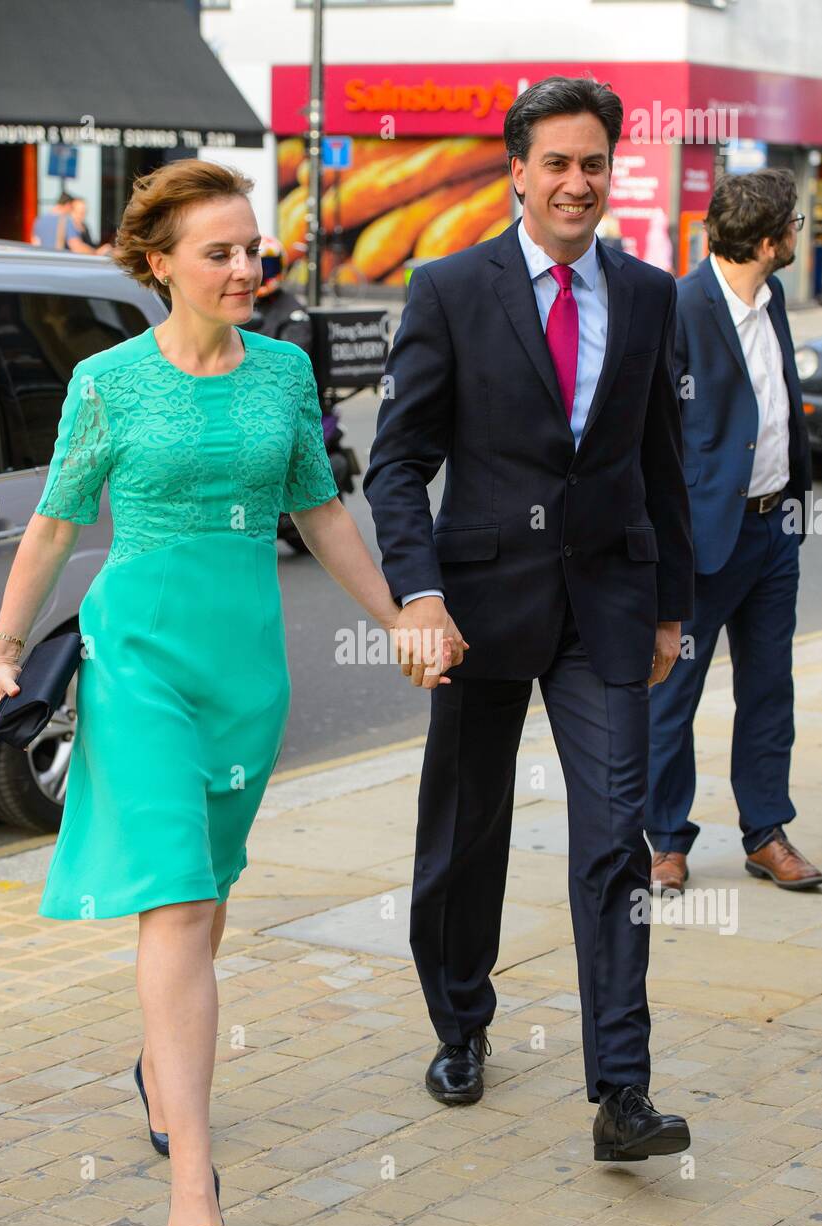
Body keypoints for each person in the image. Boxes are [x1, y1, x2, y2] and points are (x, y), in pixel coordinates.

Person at [0, 159, 429, 1226]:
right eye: (220, 252)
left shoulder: (282, 373)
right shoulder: (107, 380)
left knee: (211, 891)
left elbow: (321, 513)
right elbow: (51, 523)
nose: (247, 267)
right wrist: (5, 642)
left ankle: (158, 1058)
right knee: (176, 902)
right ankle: (193, 1170)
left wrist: (392, 616)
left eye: (251, 248)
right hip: (136, 655)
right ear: (160, 265)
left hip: (245, 669)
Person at [364, 75, 695, 1162]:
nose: (575, 182)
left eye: (592, 162)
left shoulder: (648, 296)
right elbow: (399, 463)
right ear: (517, 169)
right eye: (555, 162)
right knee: (467, 835)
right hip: (476, 607)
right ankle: (461, 1022)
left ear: (611, 171)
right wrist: (416, 593)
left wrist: (670, 613)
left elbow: (659, 465)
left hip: (606, 607)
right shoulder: (451, 287)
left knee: (616, 839)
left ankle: (621, 1091)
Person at [646, 170, 819, 892]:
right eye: (795, 227)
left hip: (771, 530)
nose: (799, 239)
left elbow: (771, 406)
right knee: (671, 692)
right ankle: (664, 839)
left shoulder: (770, 297)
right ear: (769, 239)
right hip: (701, 540)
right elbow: (651, 438)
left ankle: (764, 832)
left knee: (768, 686)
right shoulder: (680, 307)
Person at [30, 191, 103, 254]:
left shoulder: (39, 220)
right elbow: (75, 246)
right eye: (71, 207)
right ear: (67, 205)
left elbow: (35, 243)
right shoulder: (66, 221)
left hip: (43, 262)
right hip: (59, 262)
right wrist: (96, 252)